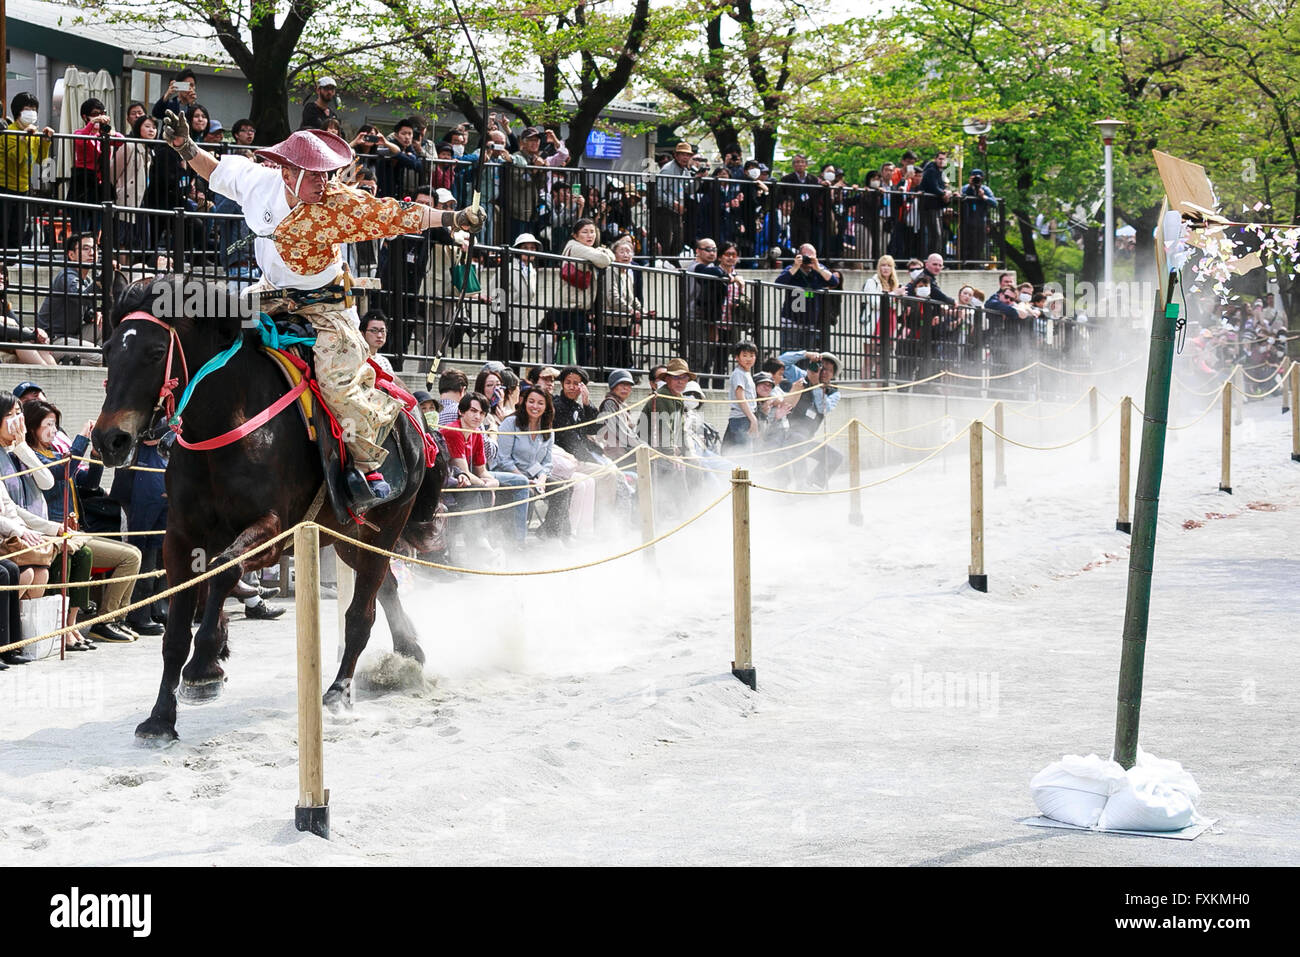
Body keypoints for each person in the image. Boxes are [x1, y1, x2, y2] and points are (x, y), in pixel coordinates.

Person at [163, 116, 484, 512]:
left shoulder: (339, 202)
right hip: (267, 293)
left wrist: (452, 218)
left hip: (325, 304)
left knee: (337, 381)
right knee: (207, 335)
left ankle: (367, 464)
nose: (325, 181)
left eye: (327, 173)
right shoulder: (260, 181)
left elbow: (393, 214)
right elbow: (213, 171)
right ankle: (175, 423)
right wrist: (184, 146)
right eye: (315, 174)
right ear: (286, 171)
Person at [497, 386, 584, 540]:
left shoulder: (547, 430)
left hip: (535, 474)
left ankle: (551, 535)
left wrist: (542, 479)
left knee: (562, 487)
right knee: (527, 492)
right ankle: (516, 540)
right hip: (511, 474)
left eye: (540, 403)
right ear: (524, 403)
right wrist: (524, 479)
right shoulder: (510, 423)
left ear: (546, 407)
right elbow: (504, 460)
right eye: (531, 402)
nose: (535, 406)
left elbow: (547, 463)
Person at [546, 218, 614, 367]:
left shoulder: (586, 249)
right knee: (578, 345)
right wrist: (603, 250)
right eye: (585, 232)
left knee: (580, 344)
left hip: (576, 307)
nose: (590, 235)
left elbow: (610, 256)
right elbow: (604, 260)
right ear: (575, 235)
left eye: (592, 232)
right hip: (568, 307)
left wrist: (602, 251)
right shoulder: (575, 246)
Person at [35, 232, 102, 360]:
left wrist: (95, 314)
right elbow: (82, 297)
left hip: (73, 336)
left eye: (95, 249)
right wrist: (99, 281)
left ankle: (77, 360)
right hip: (53, 340)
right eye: (86, 249)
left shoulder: (86, 280)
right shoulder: (66, 276)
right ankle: (73, 362)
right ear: (71, 255)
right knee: (98, 357)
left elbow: (87, 312)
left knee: (103, 327)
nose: (92, 253)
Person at [1, 92, 55, 248]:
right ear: (18, 112)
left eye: (34, 109)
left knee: (18, 230)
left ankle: (11, 261)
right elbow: (15, 158)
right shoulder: (8, 132)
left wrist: (45, 141)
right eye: (27, 109)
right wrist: (23, 139)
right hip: (5, 186)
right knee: (3, 227)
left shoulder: (34, 133)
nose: (31, 113)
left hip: (23, 188)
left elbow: (40, 159)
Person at [112, 113, 162, 258]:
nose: (151, 130)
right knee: (123, 241)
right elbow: (113, 171)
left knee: (135, 243)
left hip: (141, 201)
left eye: (154, 127)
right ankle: (121, 275)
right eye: (147, 126)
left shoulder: (149, 151)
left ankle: (127, 274)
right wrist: (120, 190)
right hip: (127, 199)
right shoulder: (129, 146)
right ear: (138, 128)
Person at [775, 243, 838, 351]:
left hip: (810, 321)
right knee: (789, 354)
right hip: (791, 320)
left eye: (812, 257)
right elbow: (778, 284)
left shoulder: (819, 269)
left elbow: (834, 281)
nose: (809, 260)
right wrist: (795, 267)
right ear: (799, 256)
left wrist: (818, 268)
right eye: (806, 257)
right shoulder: (792, 268)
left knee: (807, 356)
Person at [0, 264, 56, 366]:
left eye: (3, 273)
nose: (1, 276)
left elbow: (19, 325)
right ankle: (47, 372)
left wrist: (36, 333)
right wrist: (31, 335)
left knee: (35, 344)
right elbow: (4, 330)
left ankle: (55, 372)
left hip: (8, 345)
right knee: (22, 342)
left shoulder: (3, 303)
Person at [604, 235, 644, 372]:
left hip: (624, 321)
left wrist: (641, 310)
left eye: (629, 252)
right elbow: (613, 297)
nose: (626, 255)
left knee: (623, 356)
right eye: (622, 252)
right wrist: (631, 311)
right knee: (611, 356)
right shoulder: (611, 270)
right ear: (614, 255)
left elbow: (633, 298)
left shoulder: (627, 273)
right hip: (610, 321)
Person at [724, 340, 759, 451]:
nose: (748, 359)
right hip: (741, 418)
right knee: (744, 456)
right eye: (744, 355)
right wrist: (753, 419)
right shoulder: (738, 373)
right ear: (737, 357)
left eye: (752, 355)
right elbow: (741, 398)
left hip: (745, 418)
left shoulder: (746, 373)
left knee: (745, 455)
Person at [360, 310, 393, 376]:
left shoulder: (384, 361)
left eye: (382, 331)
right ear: (362, 334)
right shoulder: (358, 358)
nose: (379, 335)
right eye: (374, 331)